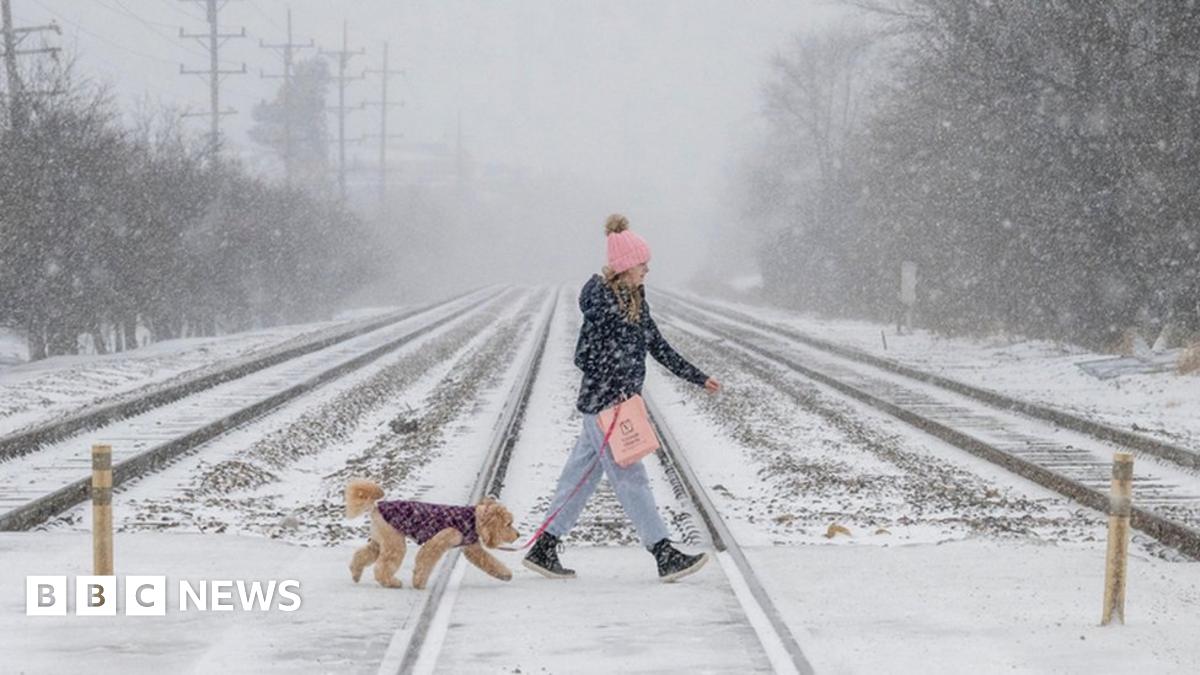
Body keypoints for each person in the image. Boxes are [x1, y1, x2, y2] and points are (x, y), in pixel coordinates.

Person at [523, 213, 721, 582]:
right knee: (631, 479)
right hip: (607, 406)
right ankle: (663, 554)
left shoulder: (635, 301)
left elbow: (656, 345)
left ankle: (544, 547)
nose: (647, 269)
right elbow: (584, 356)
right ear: (626, 266)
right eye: (643, 263)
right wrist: (615, 384)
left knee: (577, 479)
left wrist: (698, 377)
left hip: (611, 405)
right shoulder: (602, 305)